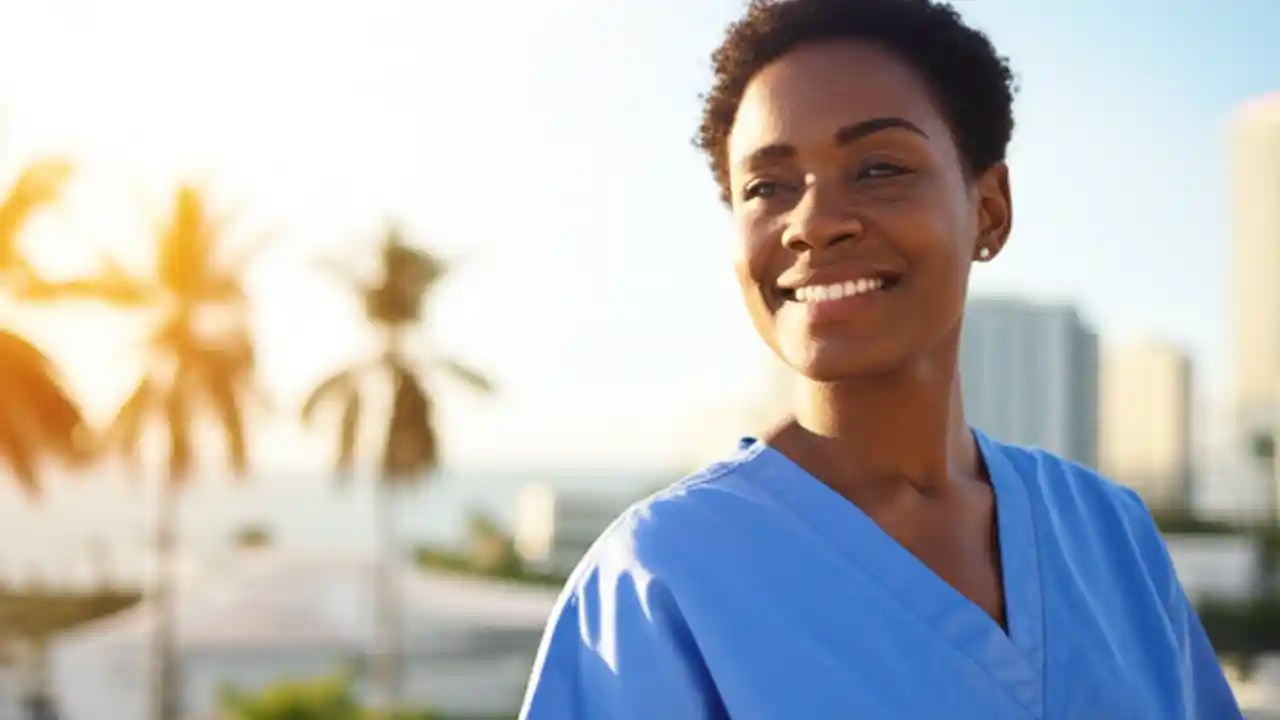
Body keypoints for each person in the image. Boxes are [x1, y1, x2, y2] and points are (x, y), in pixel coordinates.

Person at [520, 0, 1243, 717]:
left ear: (989, 209)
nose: (814, 224)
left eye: (877, 168)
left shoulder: (1109, 536)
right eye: (766, 187)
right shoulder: (657, 582)